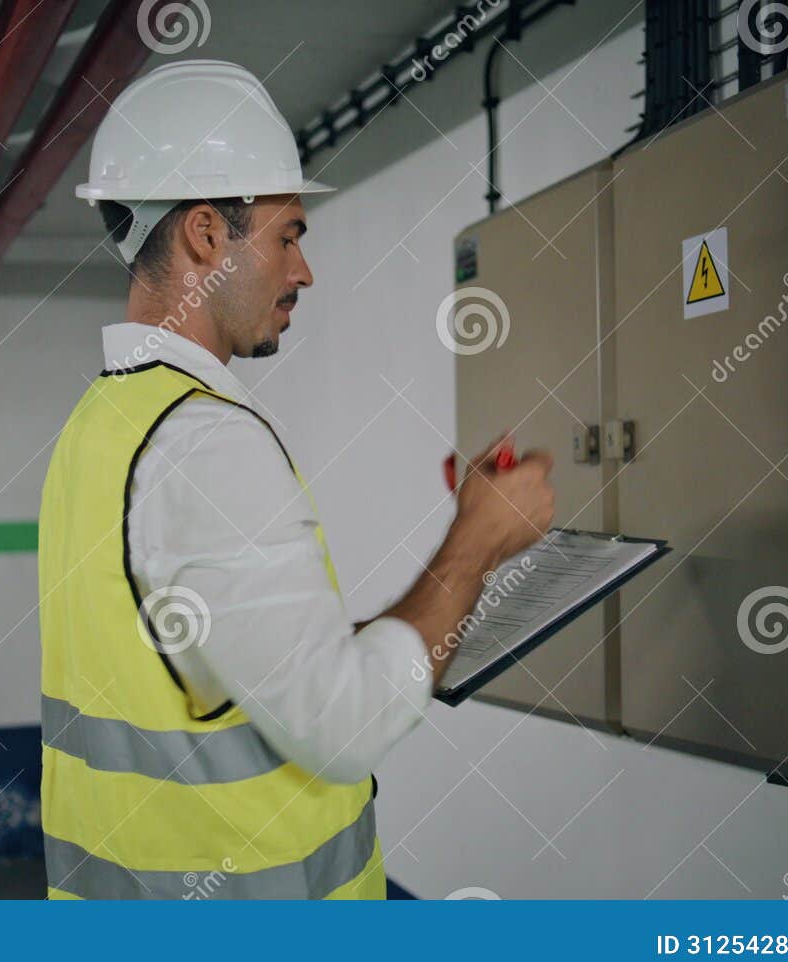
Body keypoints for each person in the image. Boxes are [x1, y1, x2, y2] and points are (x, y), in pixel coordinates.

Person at [37, 60, 554, 899]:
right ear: (206, 234)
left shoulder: (100, 426)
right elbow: (341, 730)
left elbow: (244, 667)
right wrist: (477, 544)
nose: (303, 272)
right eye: (287, 236)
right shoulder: (204, 440)